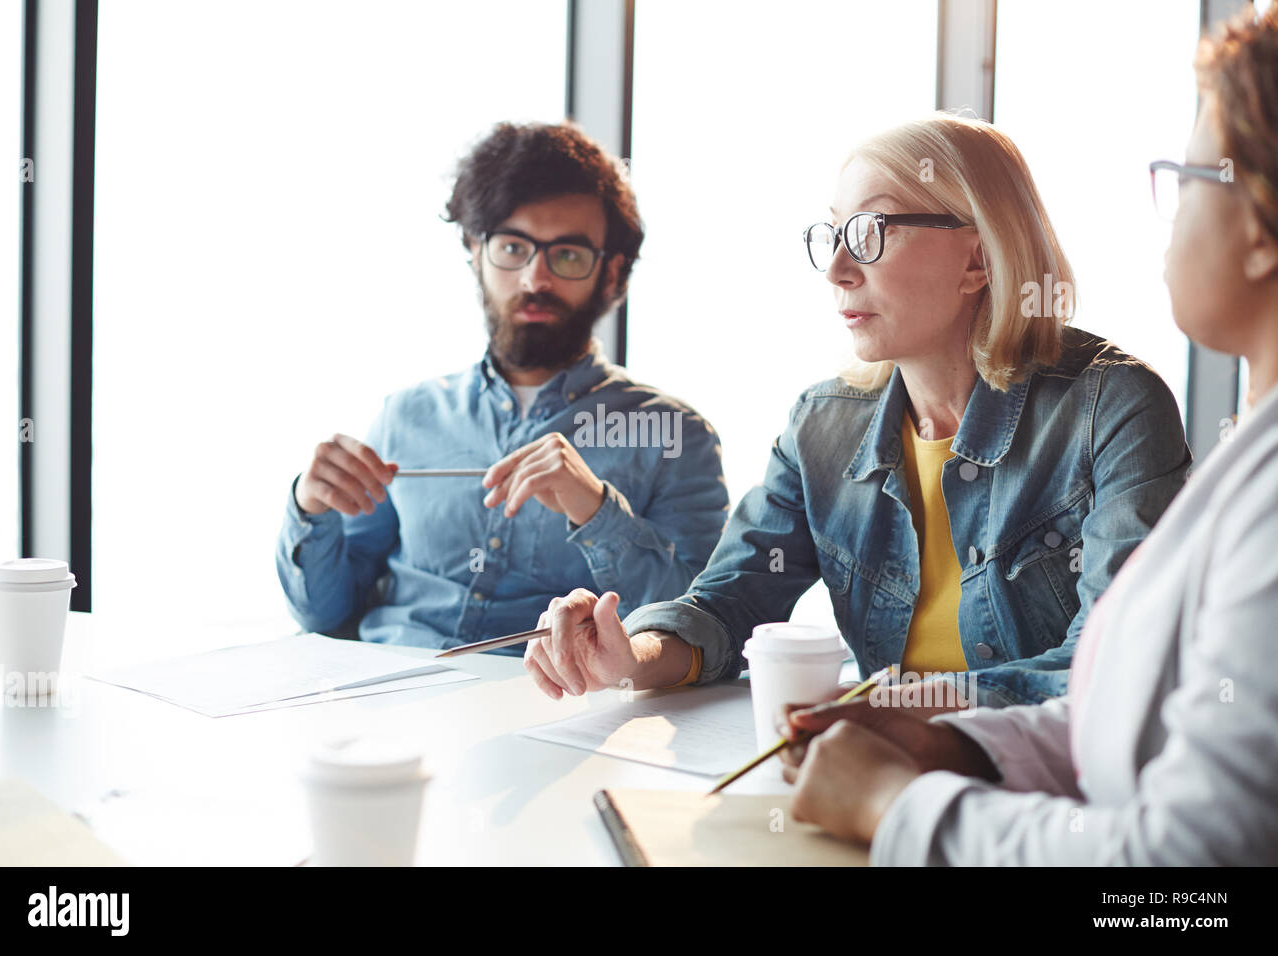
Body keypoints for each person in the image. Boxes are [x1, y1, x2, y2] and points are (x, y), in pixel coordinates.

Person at [778, 5, 1278, 865]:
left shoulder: (1130, 417)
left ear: (1263, 227)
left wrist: (898, 804)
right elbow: (1117, 712)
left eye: (1192, 175)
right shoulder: (1252, 461)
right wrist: (957, 745)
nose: (838, 267)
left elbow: (1189, 882)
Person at [525, 113, 1190, 710]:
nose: (838, 268)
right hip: (875, 773)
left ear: (979, 259)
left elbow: (1110, 664)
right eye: (833, 233)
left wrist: (883, 711)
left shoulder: (1114, 408)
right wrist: (630, 657)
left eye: (871, 231)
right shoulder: (822, 423)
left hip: (1047, 794)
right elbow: (727, 606)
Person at [275, 122, 728, 653]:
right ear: (475, 249)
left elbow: (693, 628)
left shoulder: (675, 435)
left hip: (553, 707)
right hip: (385, 694)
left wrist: (597, 511)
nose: (535, 279)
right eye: (513, 247)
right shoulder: (405, 416)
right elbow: (323, 615)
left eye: (569, 255)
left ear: (613, 274)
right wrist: (310, 509)